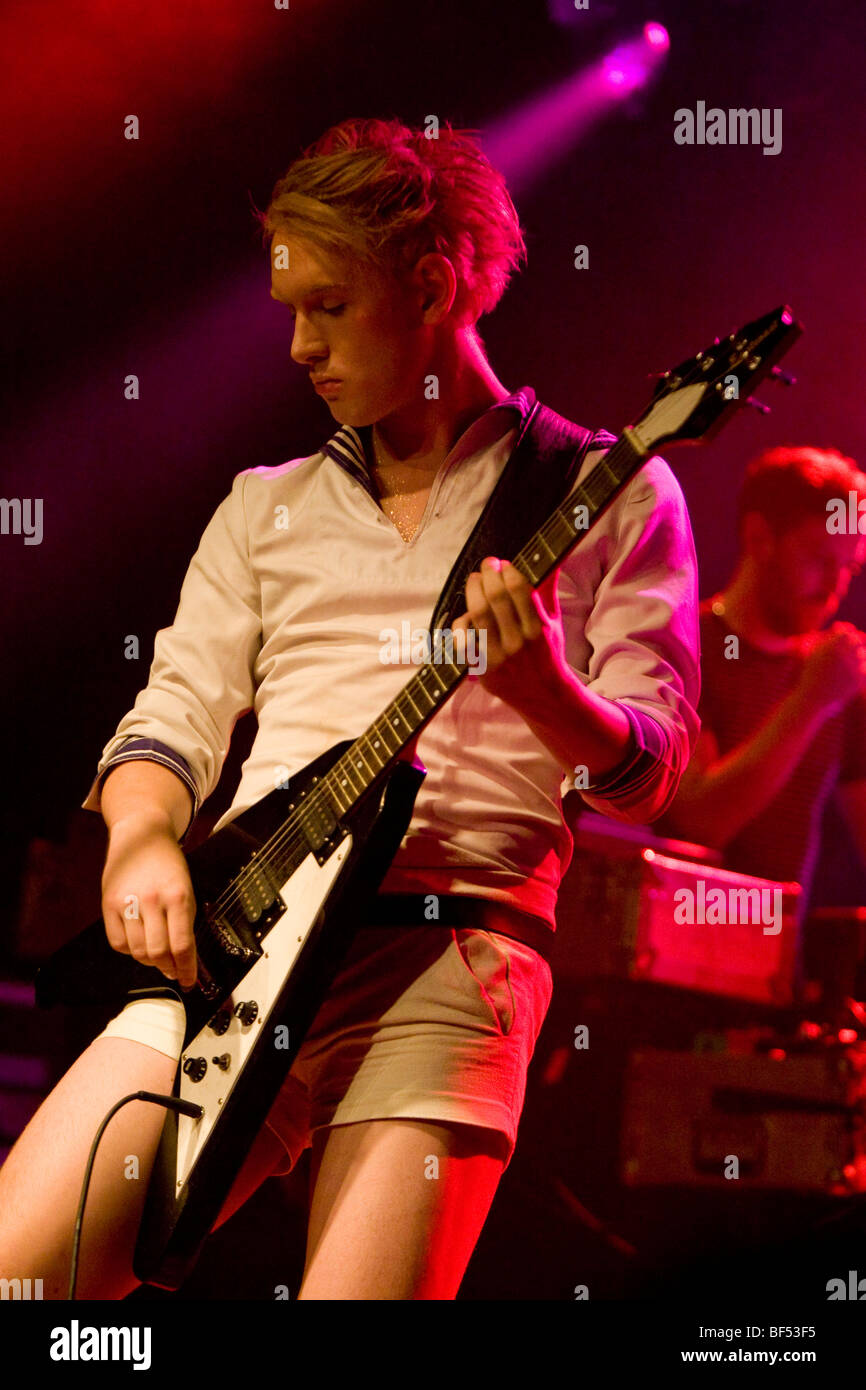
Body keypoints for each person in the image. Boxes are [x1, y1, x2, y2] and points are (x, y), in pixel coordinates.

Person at [0, 117, 699, 1299]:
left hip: (450, 954)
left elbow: (652, 766)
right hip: (244, 940)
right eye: (286, 310)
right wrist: (140, 840)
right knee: (25, 1284)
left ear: (430, 287)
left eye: (326, 307)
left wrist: (545, 693)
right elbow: (169, 716)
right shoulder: (262, 504)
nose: (295, 347)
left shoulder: (605, 490)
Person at [657, 445, 866, 987]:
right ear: (758, 539)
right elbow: (699, 818)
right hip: (669, 974)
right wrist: (810, 701)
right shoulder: (683, 647)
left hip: (771, 983)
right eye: (821, 560)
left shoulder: (834, 679)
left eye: (849, 569)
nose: (834, 588)